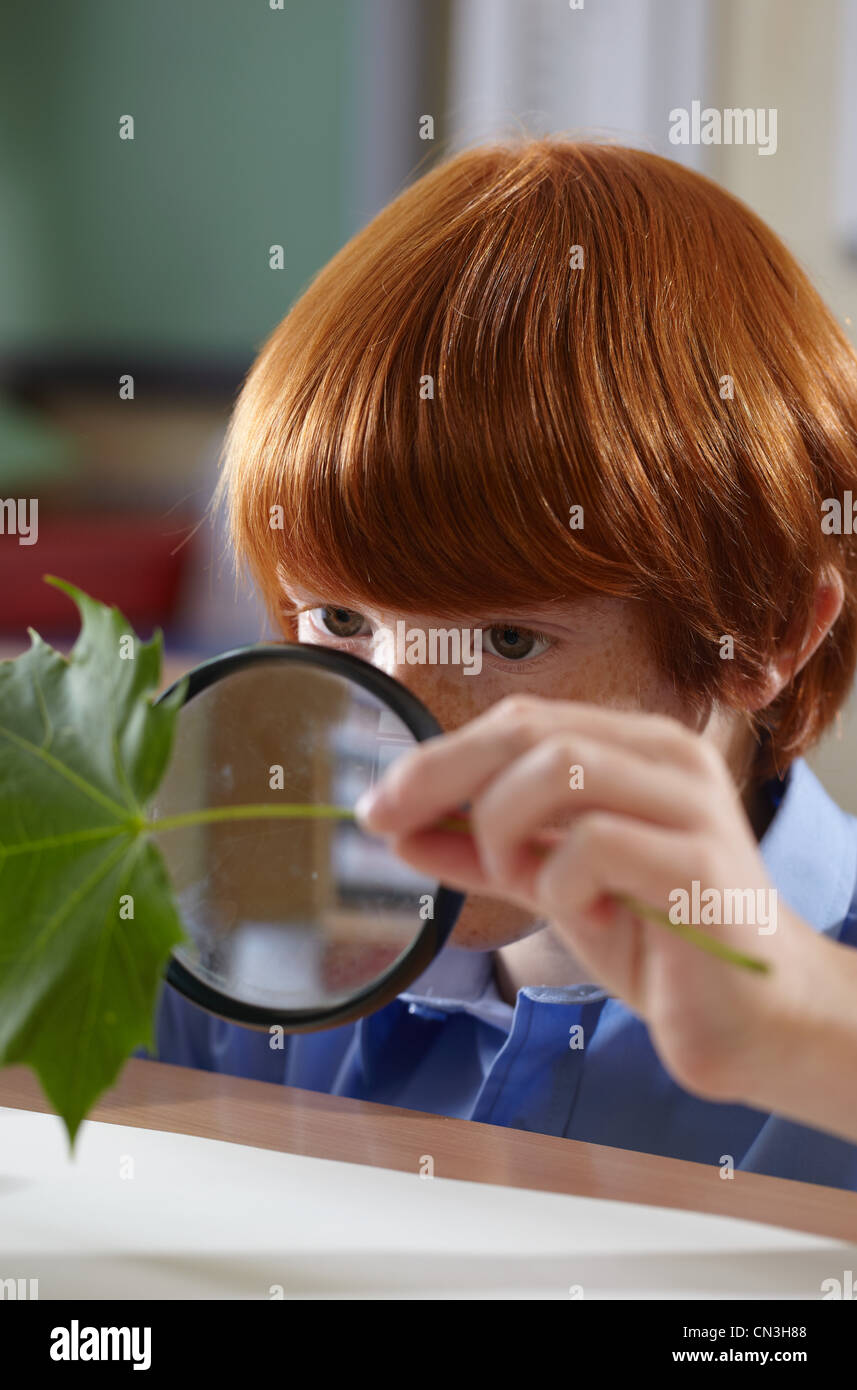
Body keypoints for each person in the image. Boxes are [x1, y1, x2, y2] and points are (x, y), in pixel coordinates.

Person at [148, 138, 857, 1187]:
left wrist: (799, 1023)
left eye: (507, 639)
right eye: (340, 619)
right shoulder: (238, 945)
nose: (392, 731)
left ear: (765, 637)